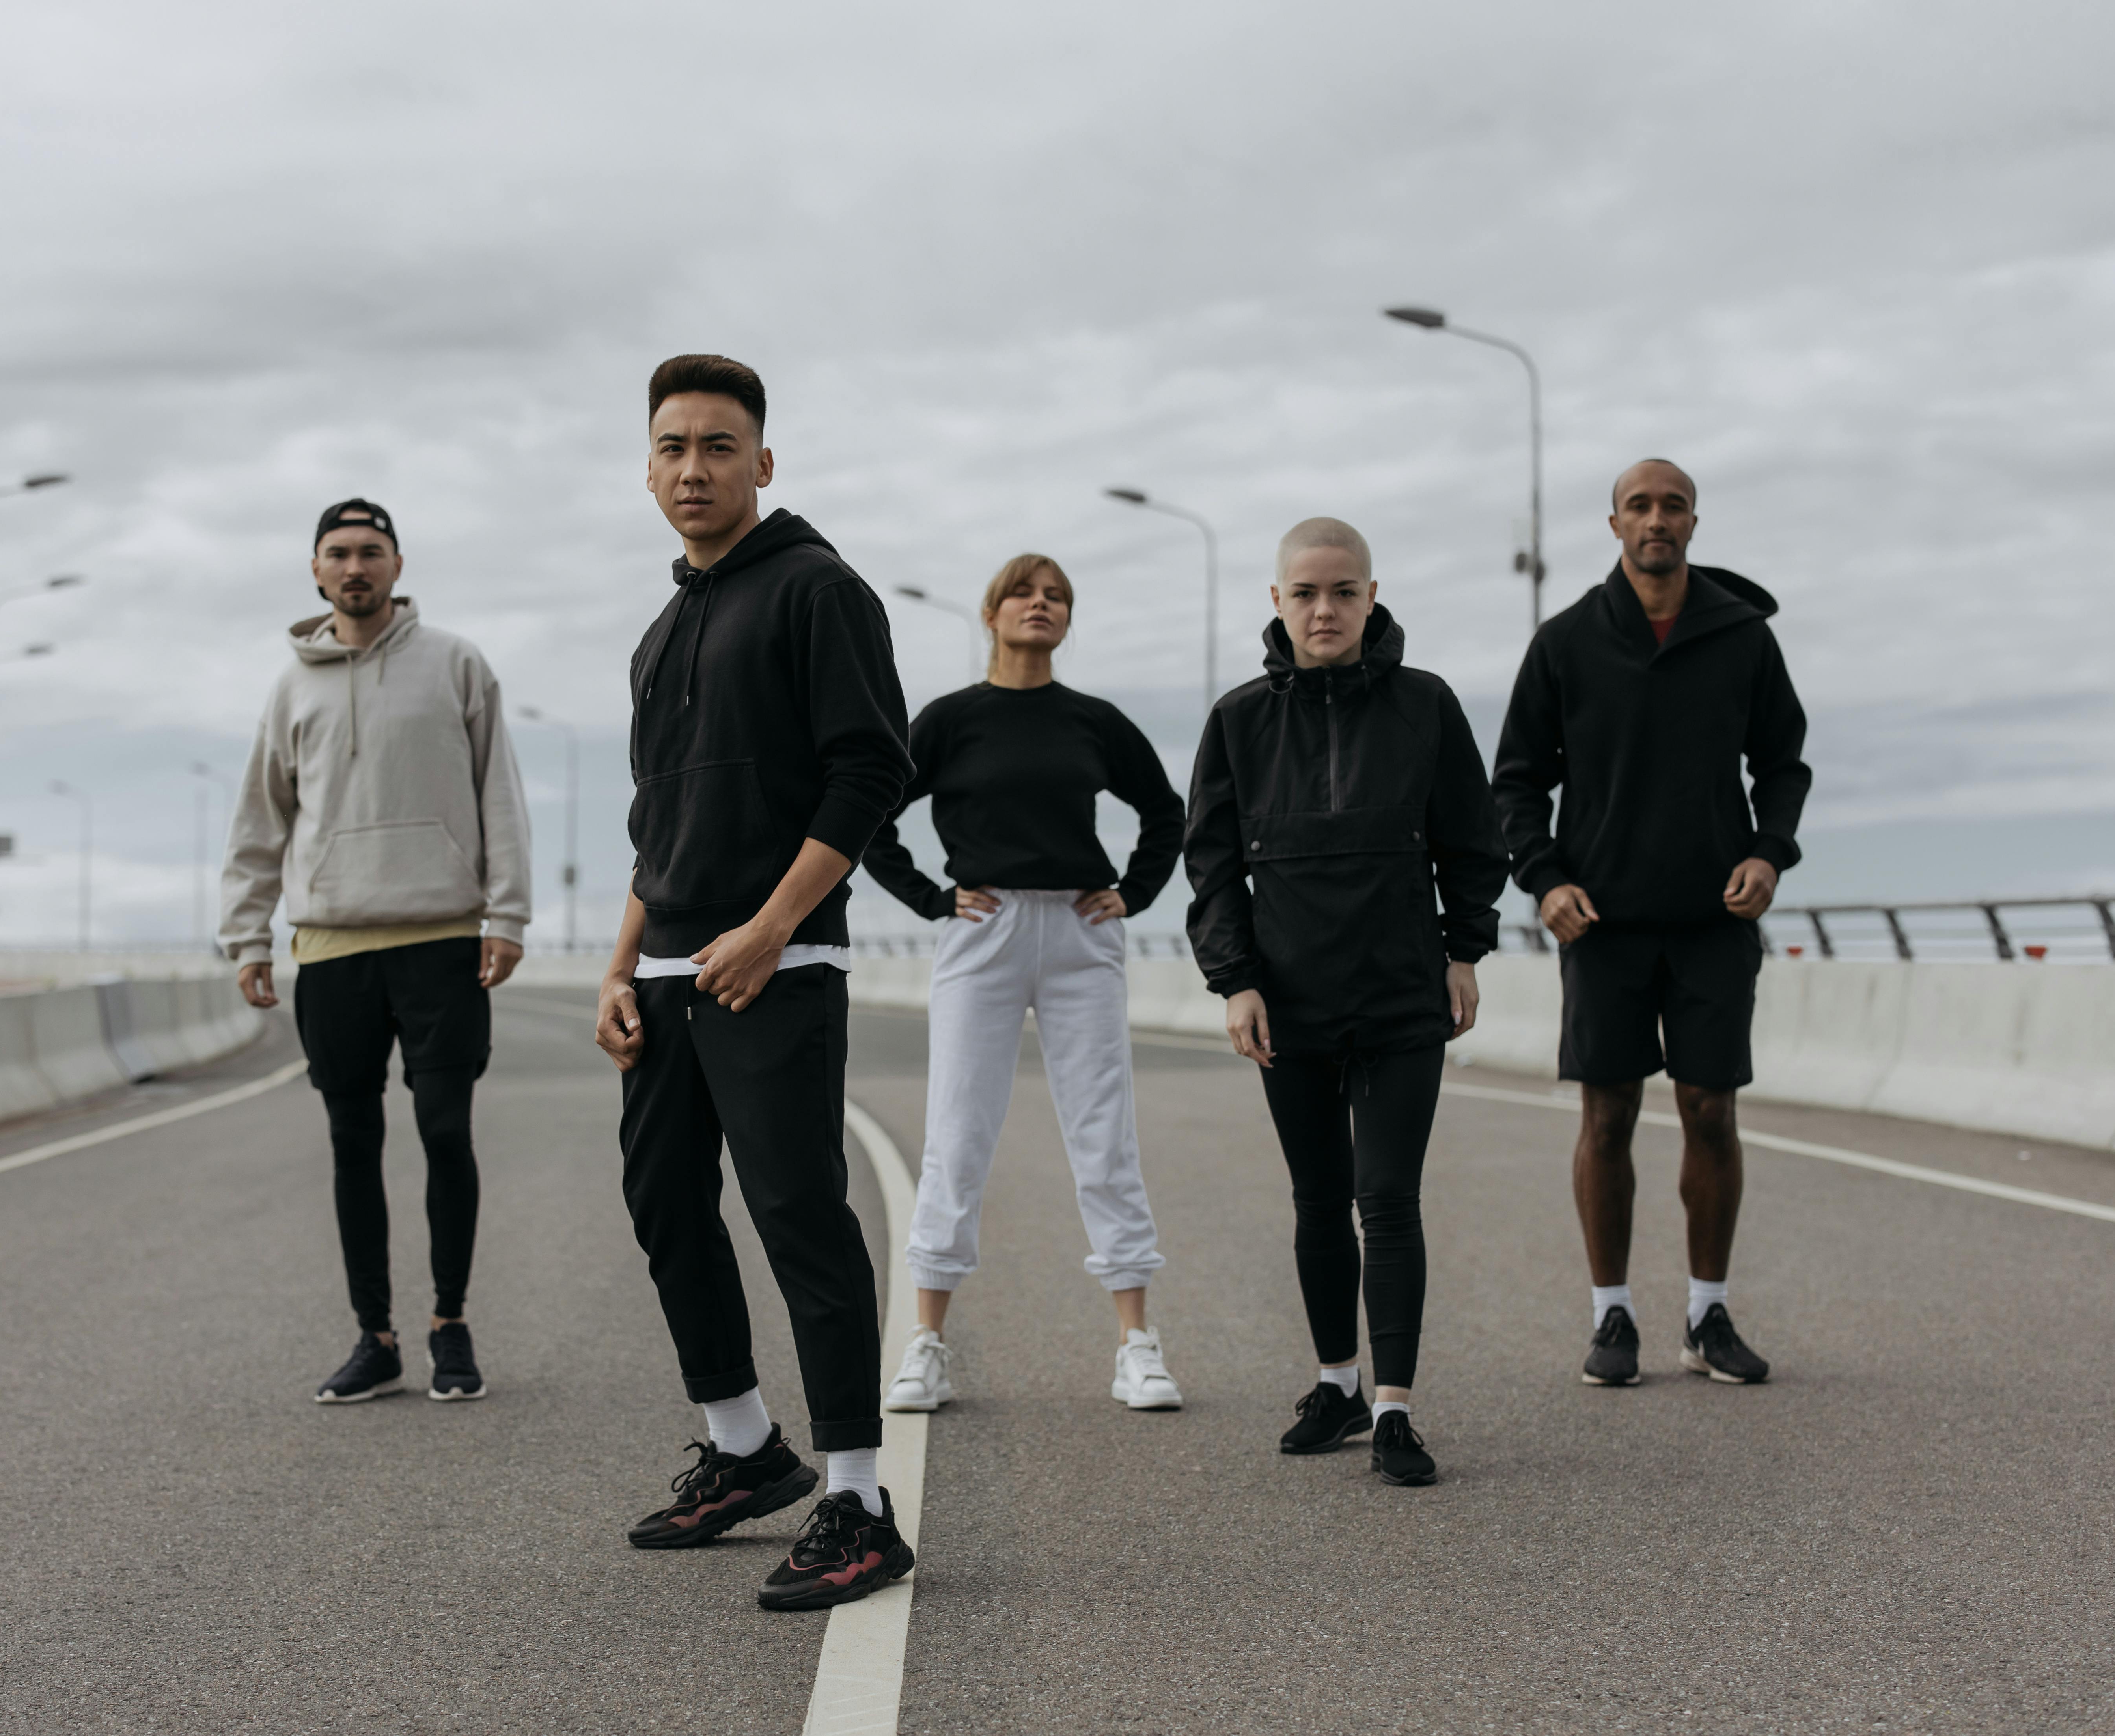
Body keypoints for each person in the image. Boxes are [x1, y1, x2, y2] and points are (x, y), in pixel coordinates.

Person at [593, 354, 917, 1613]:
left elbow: (868, 772)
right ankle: (742, 1448)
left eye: (718, 447)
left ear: (762, 463)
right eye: (673, 447)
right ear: (649, 468)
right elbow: (654, 824)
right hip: (667, 969)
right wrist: (619, 967)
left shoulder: (818, 591)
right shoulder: (660, 629)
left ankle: (860, 1502)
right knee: (665, 1206)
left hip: (774, 965)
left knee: (799, 1217)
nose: (694, 469)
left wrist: (773, 926)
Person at [1184, 518, 1507, 1487]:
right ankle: (1336, 1386)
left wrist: (1463, 951)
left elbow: (1471, 839)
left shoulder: (1425, 704)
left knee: (1388, 1199)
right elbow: (1210, 865)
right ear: (1277, 602)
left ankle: (1395, 1407)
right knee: (1318, 1201)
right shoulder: (1237, 720)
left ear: (1371, 596)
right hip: (1289, 1001)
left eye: (1342, 592)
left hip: (1402, 994)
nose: (1323, 610)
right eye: (1305, 593)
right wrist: (1235, 979)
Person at [1493, 459, 1810, 1389]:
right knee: (1607, 1117)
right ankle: (1612, 1315)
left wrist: (1767, 853)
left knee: (1710, 1112)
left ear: (1692, 523)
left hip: (1714, 920)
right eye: (1638, 506)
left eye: (1672, 506)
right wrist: (1543, 879)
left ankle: (1707, 1315)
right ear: (1614, 525)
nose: (1656, 519)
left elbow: (1782, 764)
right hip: (1602, 925)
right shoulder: (1564, 642)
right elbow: (1515, 781)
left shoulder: (1741, 636)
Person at [220, 498, 532, 1406]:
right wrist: (247, 934)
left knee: (444, 1133)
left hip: (441, 940)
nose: (354, 567)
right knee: (351, 1142)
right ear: (316, 572)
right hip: (331, 949)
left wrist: (507, 916)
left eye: (370, 551)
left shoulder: (457, 664)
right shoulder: (291, 688)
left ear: (397, 564)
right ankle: (376, 1337)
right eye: (338, 554)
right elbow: (259, 823)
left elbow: (500, 794)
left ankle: (449, 1324)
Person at [859, 553, 1186, 1414]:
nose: (1041, 605)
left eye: (1057, 597)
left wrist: (1135, 892)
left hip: (1082, 935)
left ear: (1066, 621)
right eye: (1024, 593)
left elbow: (1166, 812)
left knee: (1104, 1135)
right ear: (991, 613)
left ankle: (1136, 1345)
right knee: (957, 1134)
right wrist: (930, 898)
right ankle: (926, 1345)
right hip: (985, 930)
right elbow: (871, 812)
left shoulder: (1093, 722)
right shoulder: (950, 720)